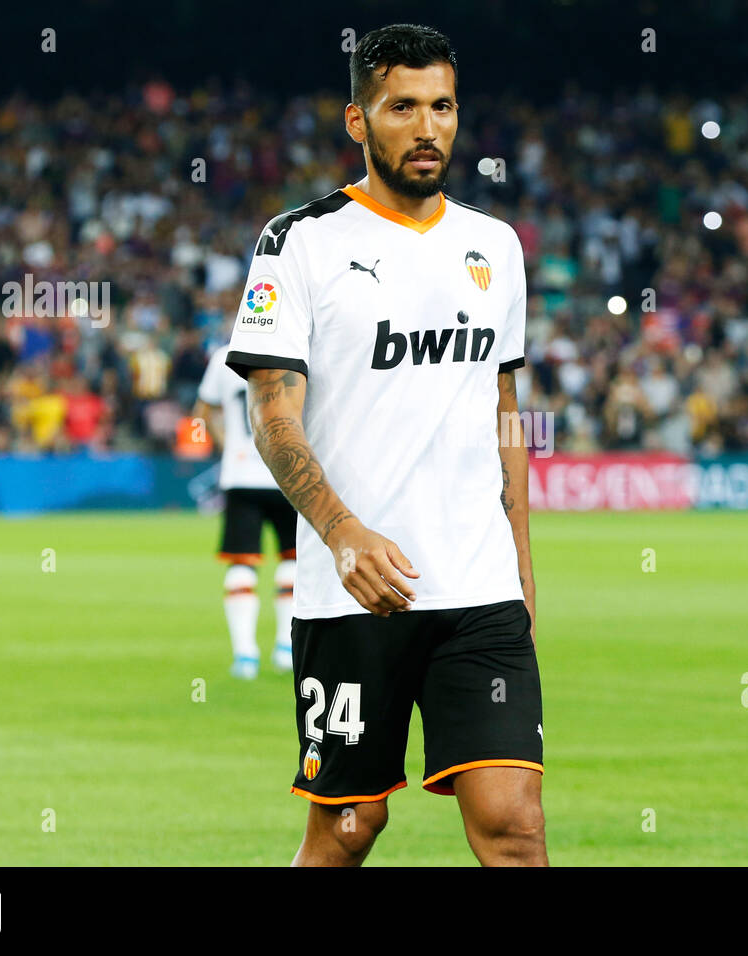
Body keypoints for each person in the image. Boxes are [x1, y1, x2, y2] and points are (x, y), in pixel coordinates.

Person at [224, 23, 545, 866]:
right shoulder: (297, 243)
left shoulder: (497, 247)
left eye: (441, 106)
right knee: (348, 826)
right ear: (358, 121)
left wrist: (520, 564)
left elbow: (503, 402)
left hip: (478, 588)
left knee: (514, 826)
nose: (427, 126)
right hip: (355, 596)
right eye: (402, 107)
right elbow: (273, 415)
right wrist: (342, 533)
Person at [192, 342, 297, 678]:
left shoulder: (224, 355)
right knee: (294, 560)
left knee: (241, 564)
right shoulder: (295, 348)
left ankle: (245, 655)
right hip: (288, 473)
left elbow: (201, 415)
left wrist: (227, 445)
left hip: (240, 475)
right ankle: (285, 649)